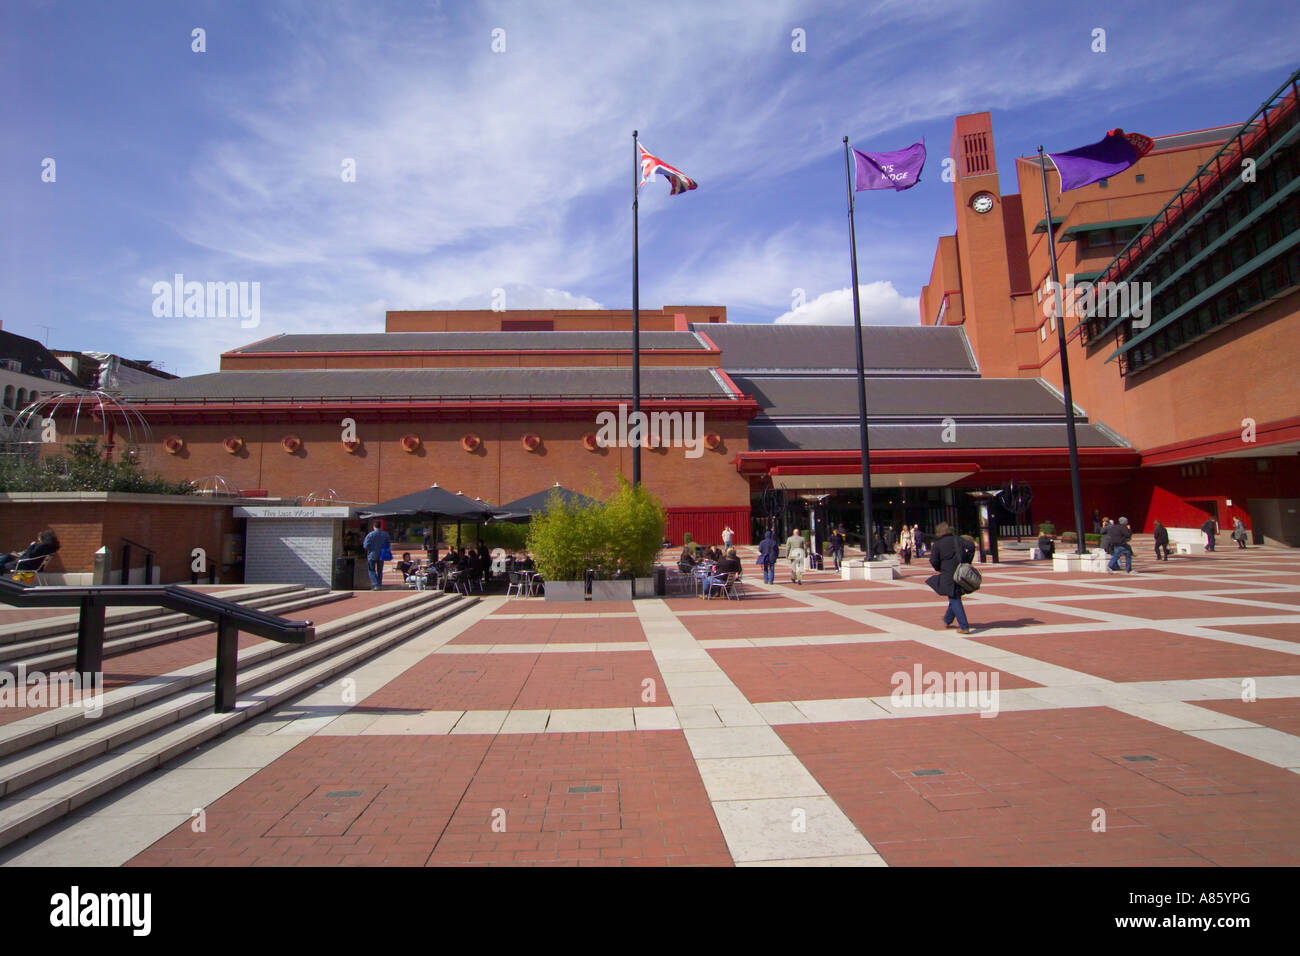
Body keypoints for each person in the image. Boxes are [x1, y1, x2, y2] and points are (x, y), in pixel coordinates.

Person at [926, 522, 976, 634]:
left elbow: (933, 560)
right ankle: (947, 619)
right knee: (954, 595)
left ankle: (964, 626)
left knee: (954, 598)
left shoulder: (937, 544)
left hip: (947, 573)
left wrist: (939, 567)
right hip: (960, 571)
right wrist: (967, 560)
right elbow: (971, 546)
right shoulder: (957, 539)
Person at [362, 521, 391, 590]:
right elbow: (388, 544)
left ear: (374, 527)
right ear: (380, 526)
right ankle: (379, 584)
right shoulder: (385, 534)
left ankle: (376, 585)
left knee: (371, 570)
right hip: (382, 554)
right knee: (380, 570)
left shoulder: (370, 534)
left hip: (372, 554)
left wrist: (371, 549)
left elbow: (365, 545)